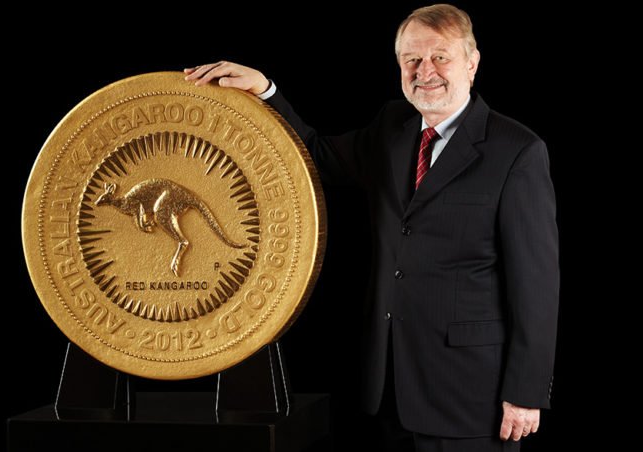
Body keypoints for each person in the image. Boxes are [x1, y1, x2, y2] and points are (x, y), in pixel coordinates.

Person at [184, 4, 559, 451]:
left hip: (472, 395)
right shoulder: (391, 128)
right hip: (386, 391)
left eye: (441, 57)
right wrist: (266, 90)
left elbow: (535, 285)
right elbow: (314, 157)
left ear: (472, 63)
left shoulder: (517, 151)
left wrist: (526, 393)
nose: (426, 71)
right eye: (412, 60)